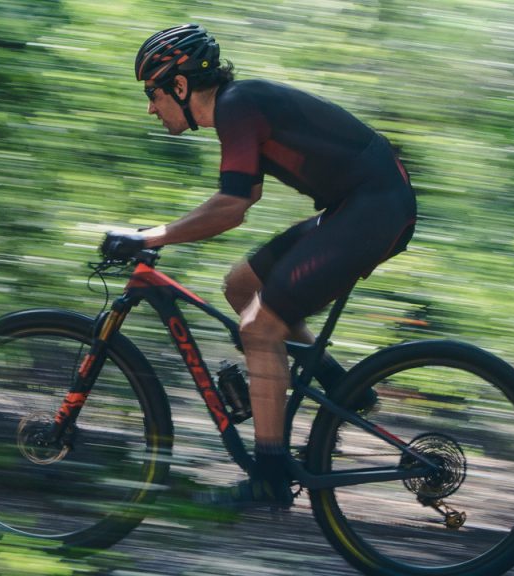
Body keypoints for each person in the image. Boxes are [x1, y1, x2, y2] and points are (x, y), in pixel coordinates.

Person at [102, 24, 417, 507]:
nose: (150, 107)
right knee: (241, 285)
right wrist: (157, 233)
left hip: (373, 210)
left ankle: (269, 478)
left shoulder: (237, 106)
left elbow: (231, 208)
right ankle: (343, 388)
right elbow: (243, 193)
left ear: (180, 85)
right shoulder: (238, 108)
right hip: (359, 207)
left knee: (259, 327)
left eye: (152, 93)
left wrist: (150, 236)